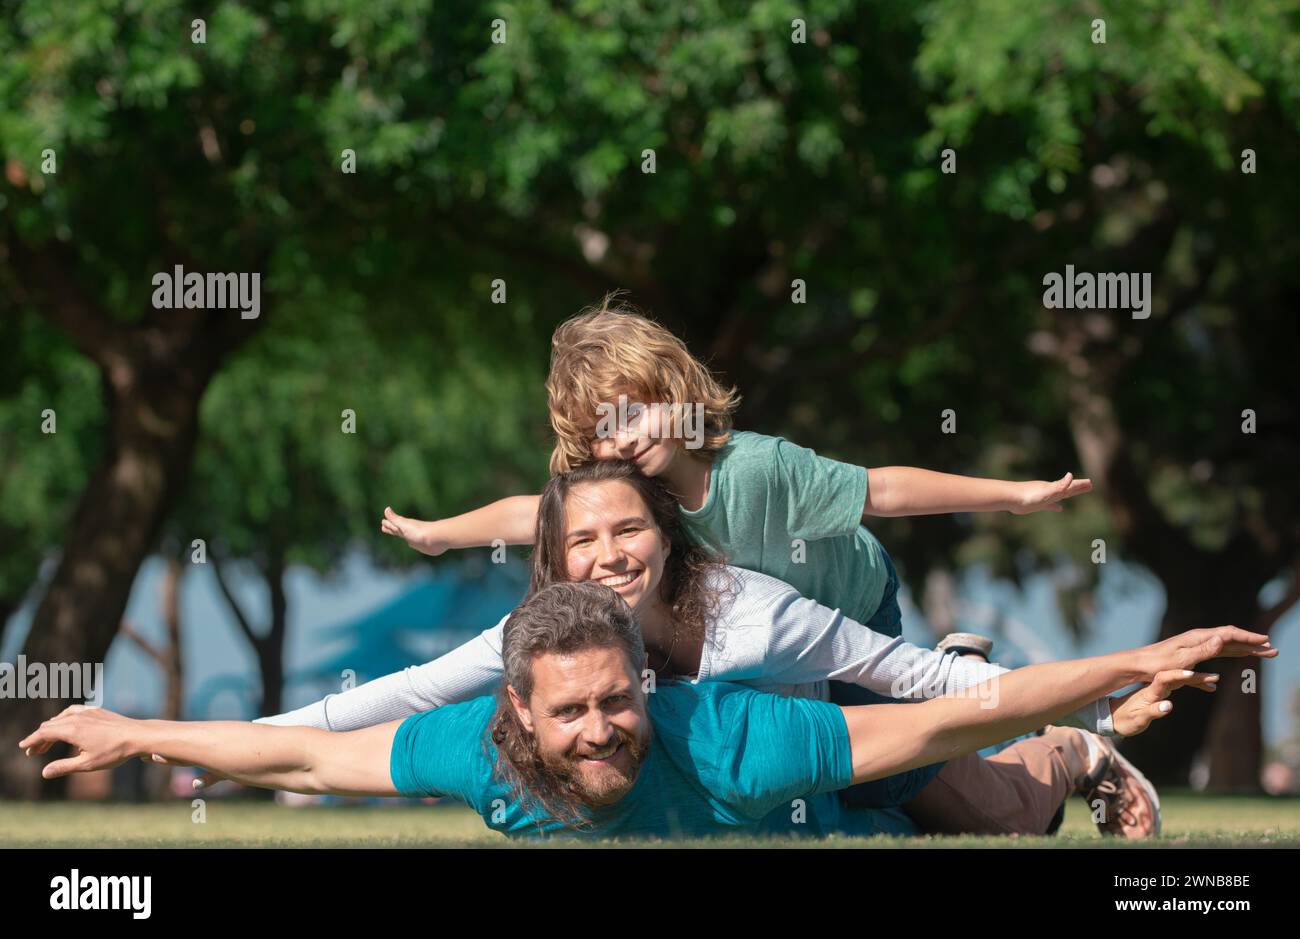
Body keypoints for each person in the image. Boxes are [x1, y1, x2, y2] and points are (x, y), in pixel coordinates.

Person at [379, 295, 1095, 811]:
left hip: (849, 605)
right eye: (605, 430)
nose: (624, 438)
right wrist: (440, 533)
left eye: (638, 411)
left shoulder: (758, 469)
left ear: (678, 393)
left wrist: (1015, 494)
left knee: (884, 775)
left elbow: (883, 488)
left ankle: (980, 690)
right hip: (762, 634)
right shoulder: (631, 497)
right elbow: (532, 513)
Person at [271, 461, 1172, 835]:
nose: (607, 555)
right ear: (556, 556)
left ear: (666, 533)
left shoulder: (753, 611)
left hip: (851, 715)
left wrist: (1087, 704)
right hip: (767, 783)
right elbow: (401, 695)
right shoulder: (549, 633)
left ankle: (1070, 755)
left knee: (992, 815)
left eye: (629, 529)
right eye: (583, 542)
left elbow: (917, 675)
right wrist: (239, 739)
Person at [20, 581, 1274, 840]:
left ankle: (1072, 761)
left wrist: (1122, 664)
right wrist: (131, 732)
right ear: (518, 709)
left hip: (831, 786)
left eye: (616, 701)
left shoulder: (719, 733)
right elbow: (297, 749)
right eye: (571, 713)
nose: (602, 728)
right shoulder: (479, 753)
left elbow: (957, 714)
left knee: (998, 807)